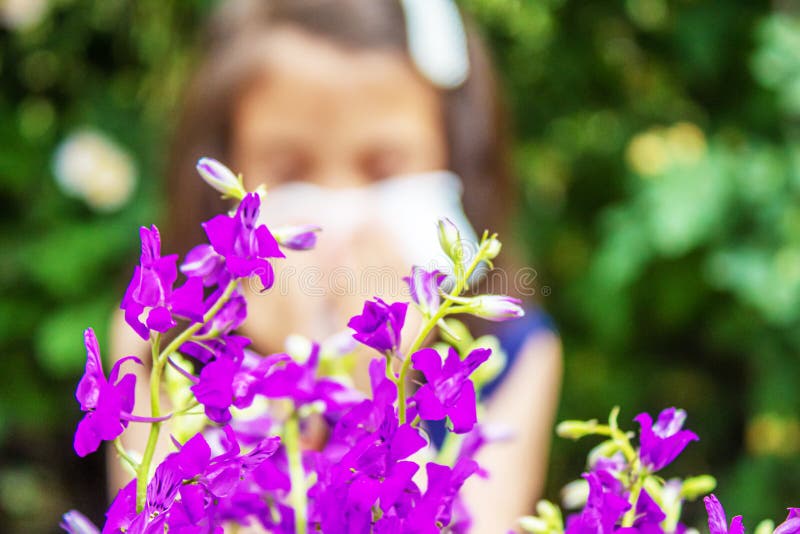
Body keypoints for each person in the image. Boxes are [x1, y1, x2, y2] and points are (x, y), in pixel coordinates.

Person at [110, 0, 562, 531]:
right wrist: (286, 377)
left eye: (384, 169)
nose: (340, 205)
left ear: (458, 158)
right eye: (289, 170)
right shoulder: (157, 346)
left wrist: (379, 379)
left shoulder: (515, 356)